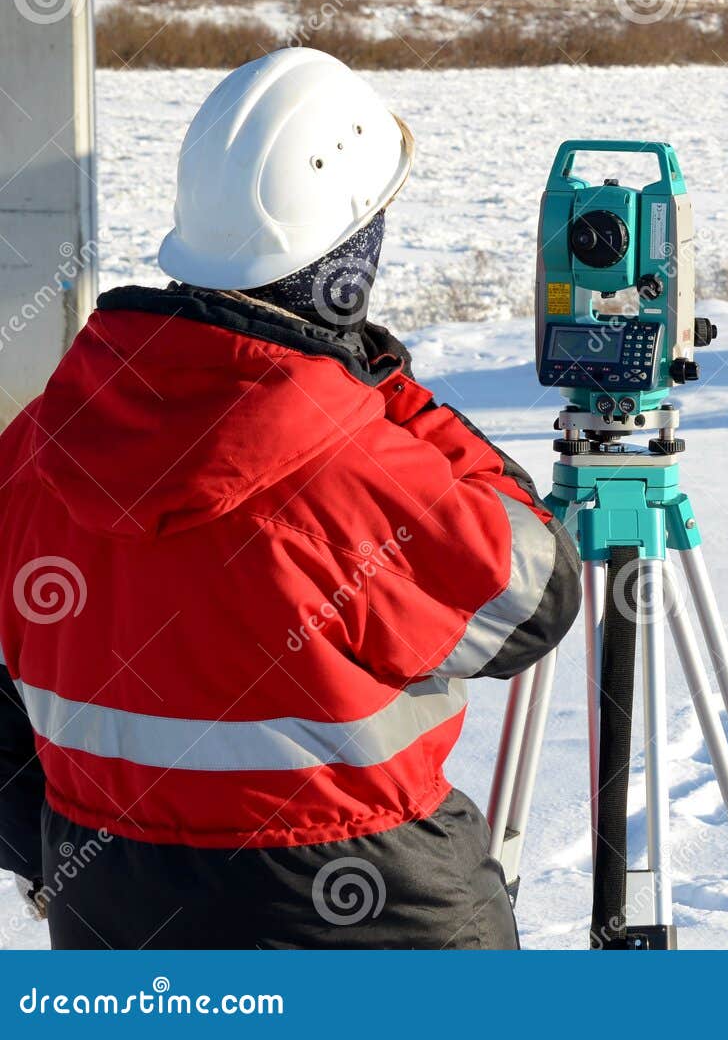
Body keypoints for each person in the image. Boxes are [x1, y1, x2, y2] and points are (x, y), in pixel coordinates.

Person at [0, 48, 581, 948]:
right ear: (349, 258)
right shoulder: (358, 464)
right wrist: (390, 392)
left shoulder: (36, 445)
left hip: (113, 916)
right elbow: (534, 603)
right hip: (372, 921)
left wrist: (56, 855)